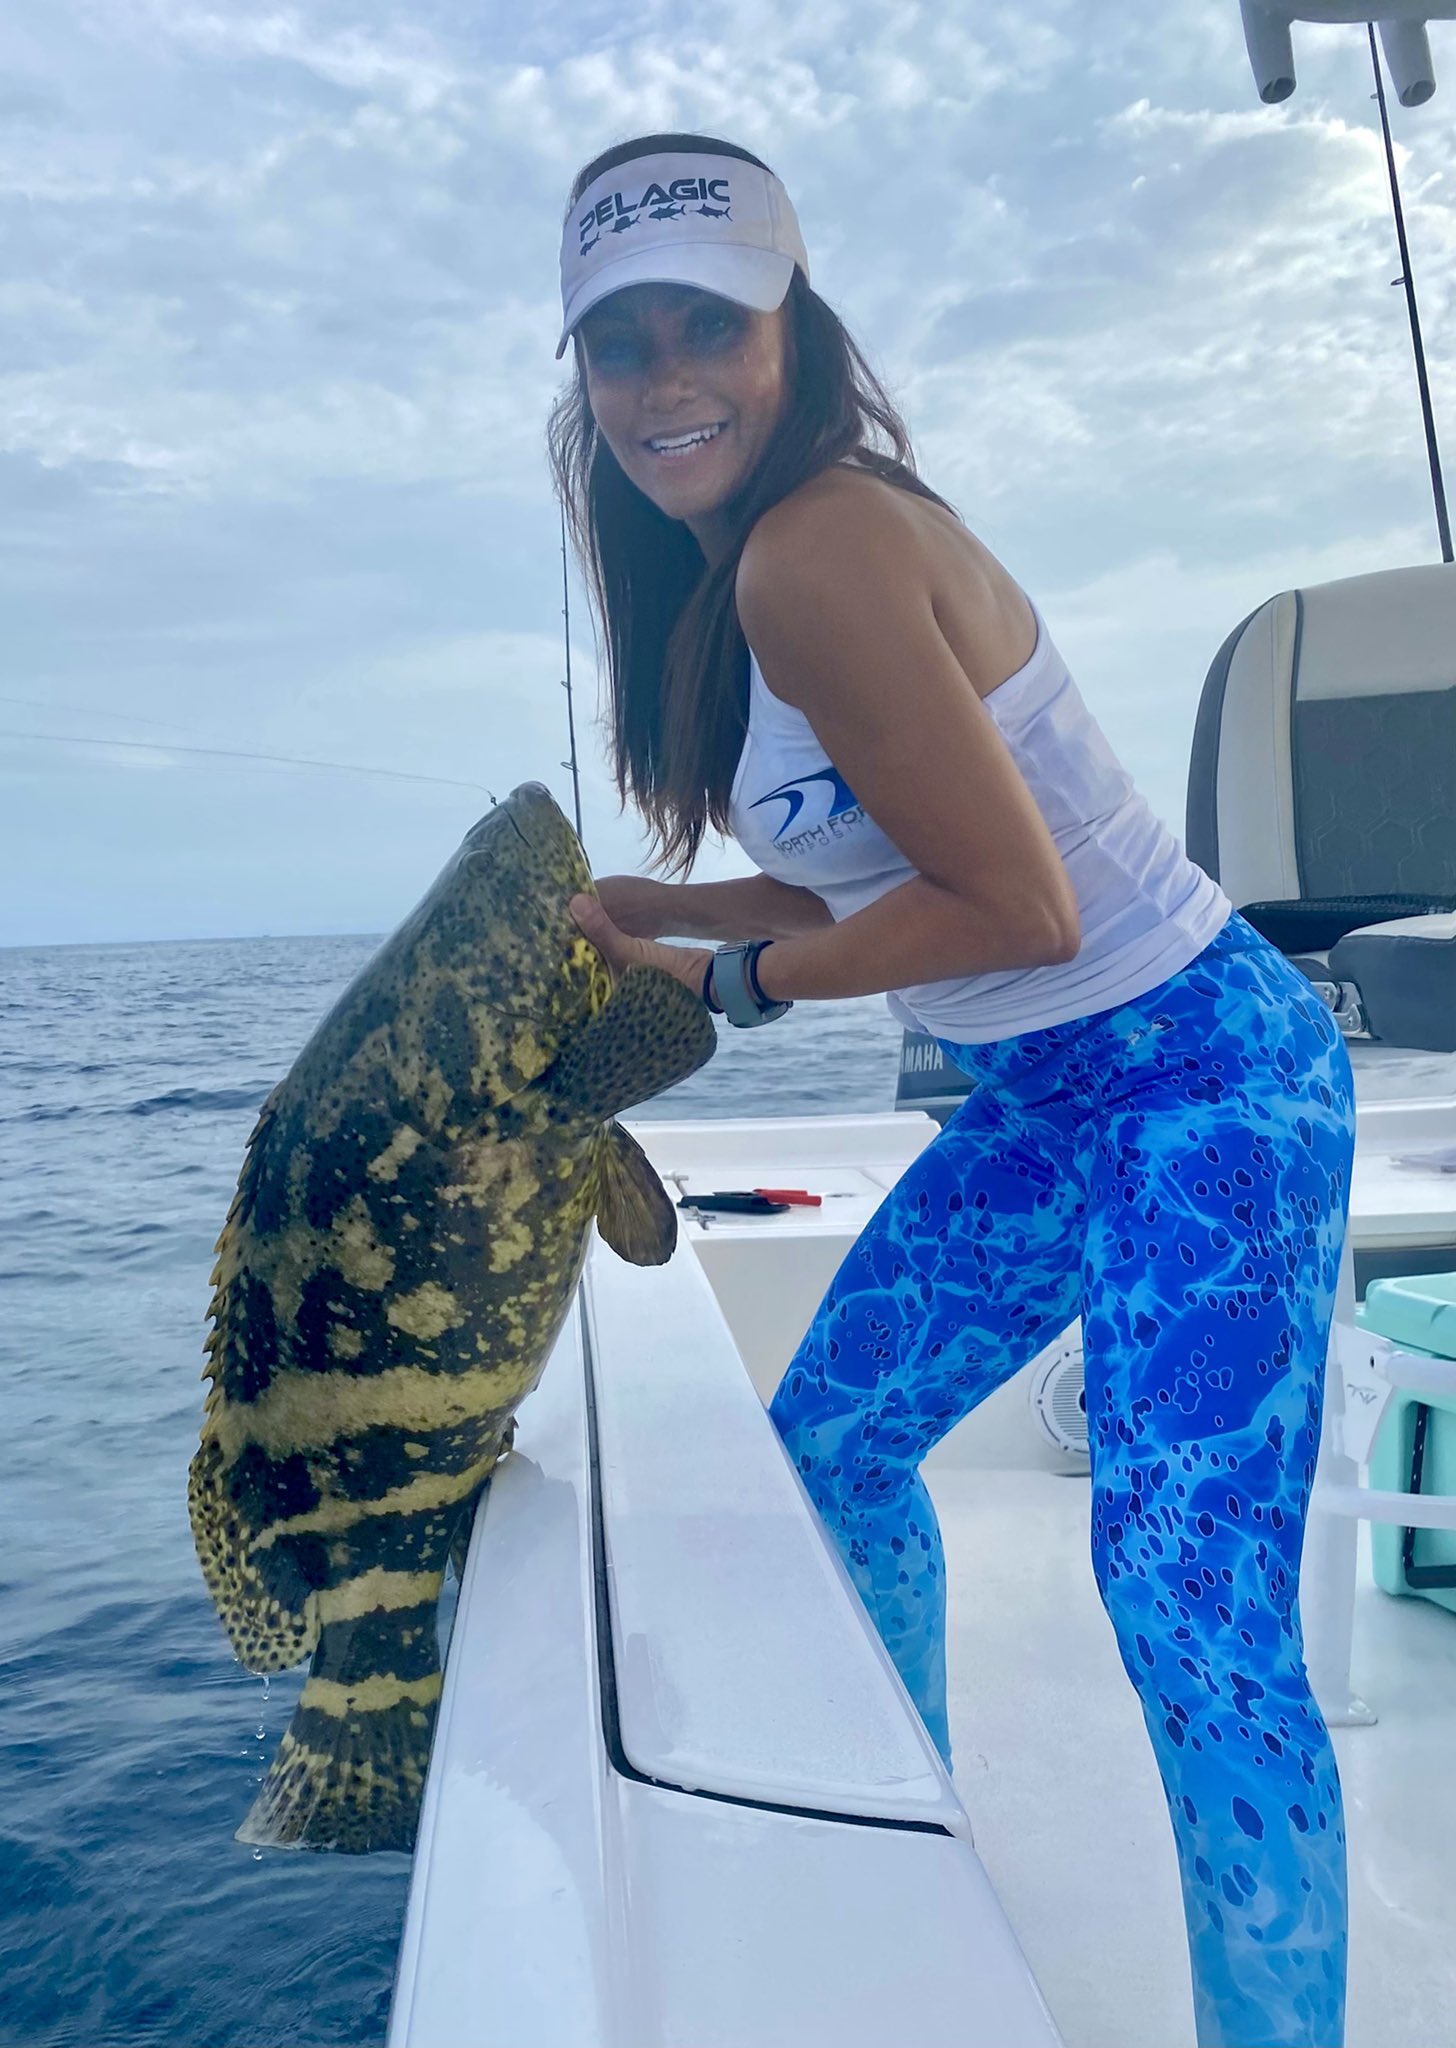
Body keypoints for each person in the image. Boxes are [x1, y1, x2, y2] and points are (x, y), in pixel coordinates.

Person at [548, 130, 1355, 2048]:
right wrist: (663, 905)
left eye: (708, 330)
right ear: (577, 381)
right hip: (1050, 1102)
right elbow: (866, 862)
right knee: (829, 1452)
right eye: (620, 346)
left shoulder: (820, 546)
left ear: (791, 332)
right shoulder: (739, 575)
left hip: (1207, 1083)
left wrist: (732, 980)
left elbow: (1011, 896)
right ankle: (912, 1852)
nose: (667, 381)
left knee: (1188, 1617)